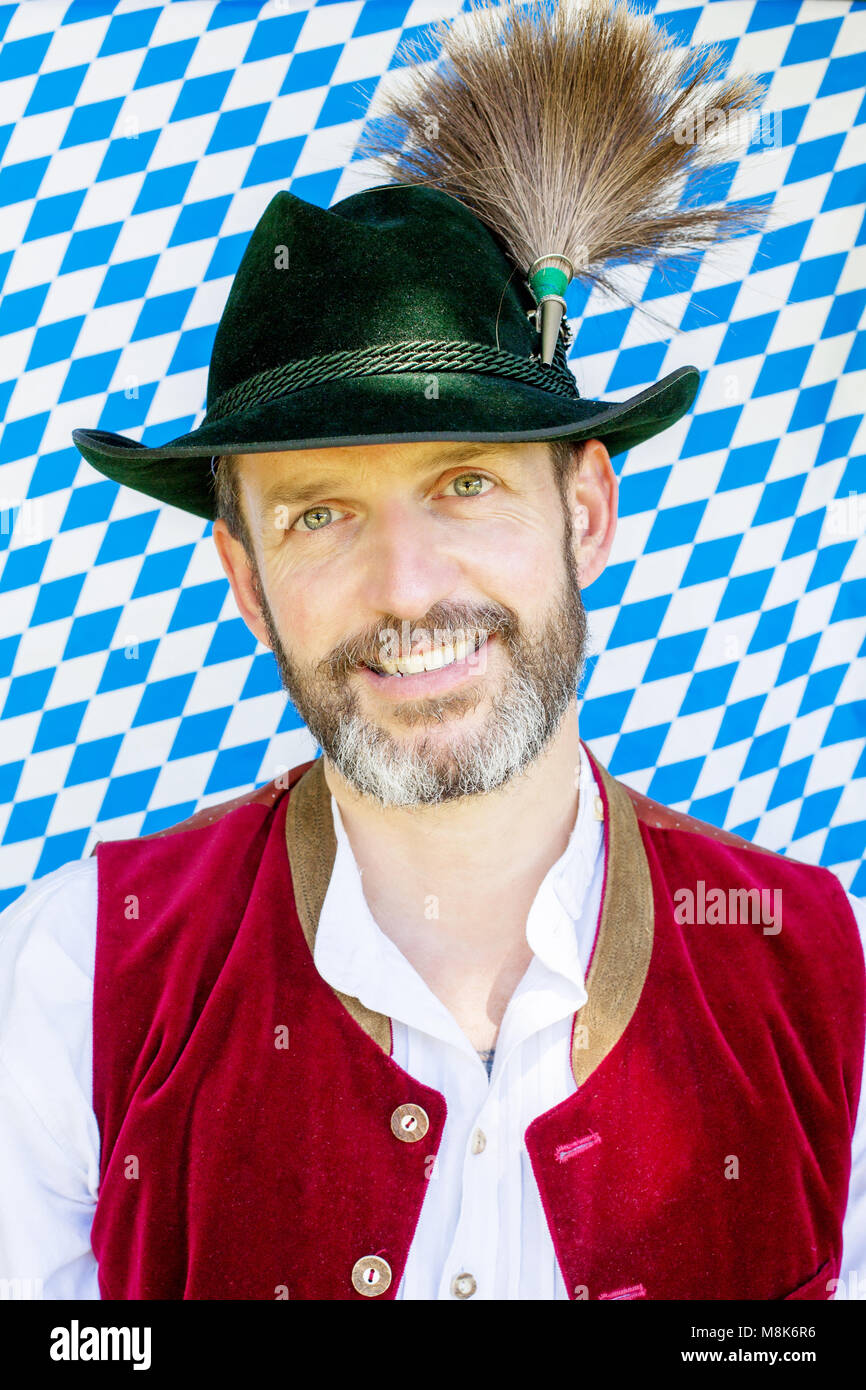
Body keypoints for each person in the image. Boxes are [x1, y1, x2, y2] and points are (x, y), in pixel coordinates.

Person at [1, 0, 863, 1301]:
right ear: (245, 576)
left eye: (463, 484)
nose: (406, 589)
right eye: (322, 513)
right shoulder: (80, 974)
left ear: (583, 515)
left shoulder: (815, 968)